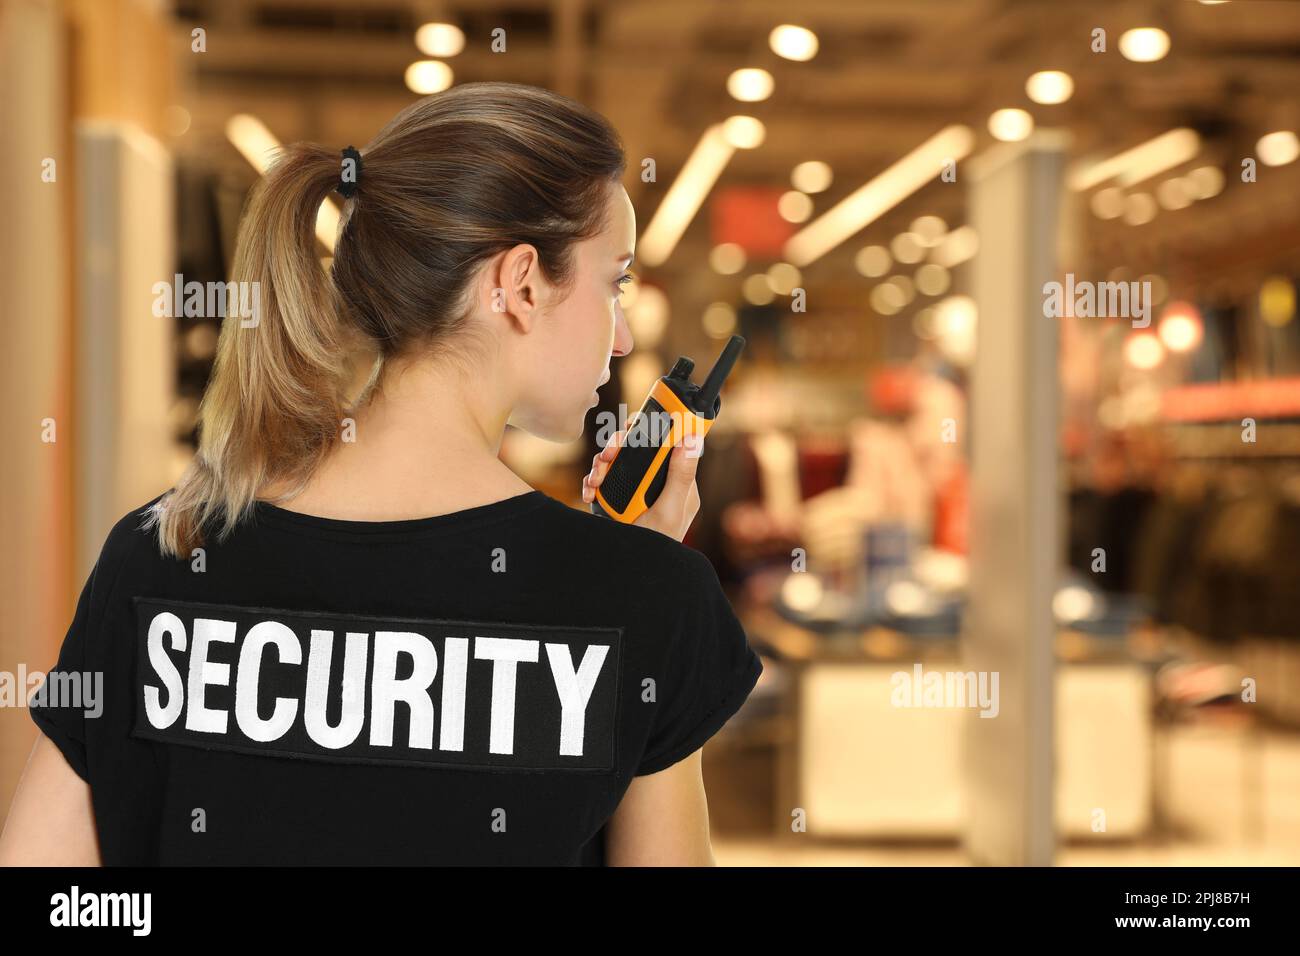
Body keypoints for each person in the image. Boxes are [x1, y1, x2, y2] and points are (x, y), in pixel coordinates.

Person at [0, 81, 763, 866]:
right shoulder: (646, 600)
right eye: (617, 283)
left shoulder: (158, 552)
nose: (623, 334)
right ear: (523, 282)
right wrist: (643, 591)